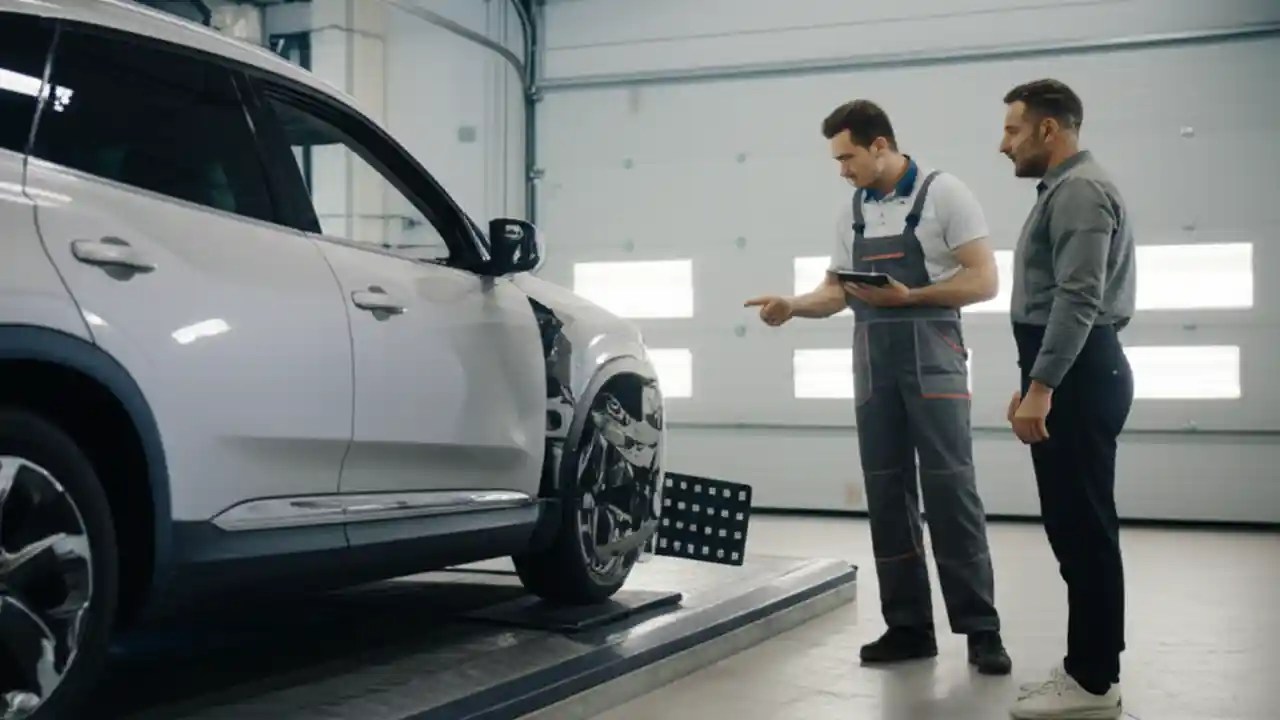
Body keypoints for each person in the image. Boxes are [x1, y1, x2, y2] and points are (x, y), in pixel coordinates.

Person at [745, 99, 1011, 675]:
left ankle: (982, 630)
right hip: (874, 366)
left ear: (881, 146)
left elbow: (985, 280)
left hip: (934, 359)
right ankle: (909, 626)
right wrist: (793, 305)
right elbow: (836, 291)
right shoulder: (853, 212)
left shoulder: (945, 194)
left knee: (950, 492)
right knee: (887, 495)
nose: (842, 170)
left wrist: (909, 298)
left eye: (847, 157)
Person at [999, 79, 1136, 720]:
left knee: (1083, 530)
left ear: (1049, 130)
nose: (1004, 144)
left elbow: (1078, 298)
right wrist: (1033, 381)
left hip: (1078, 377)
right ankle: (1089, 664)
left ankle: (1092, 681)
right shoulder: (1064, 189)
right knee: (1074, 528)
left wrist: (1044, 385)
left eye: (1012, 130)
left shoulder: (1079, 190)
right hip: (1071, 372)